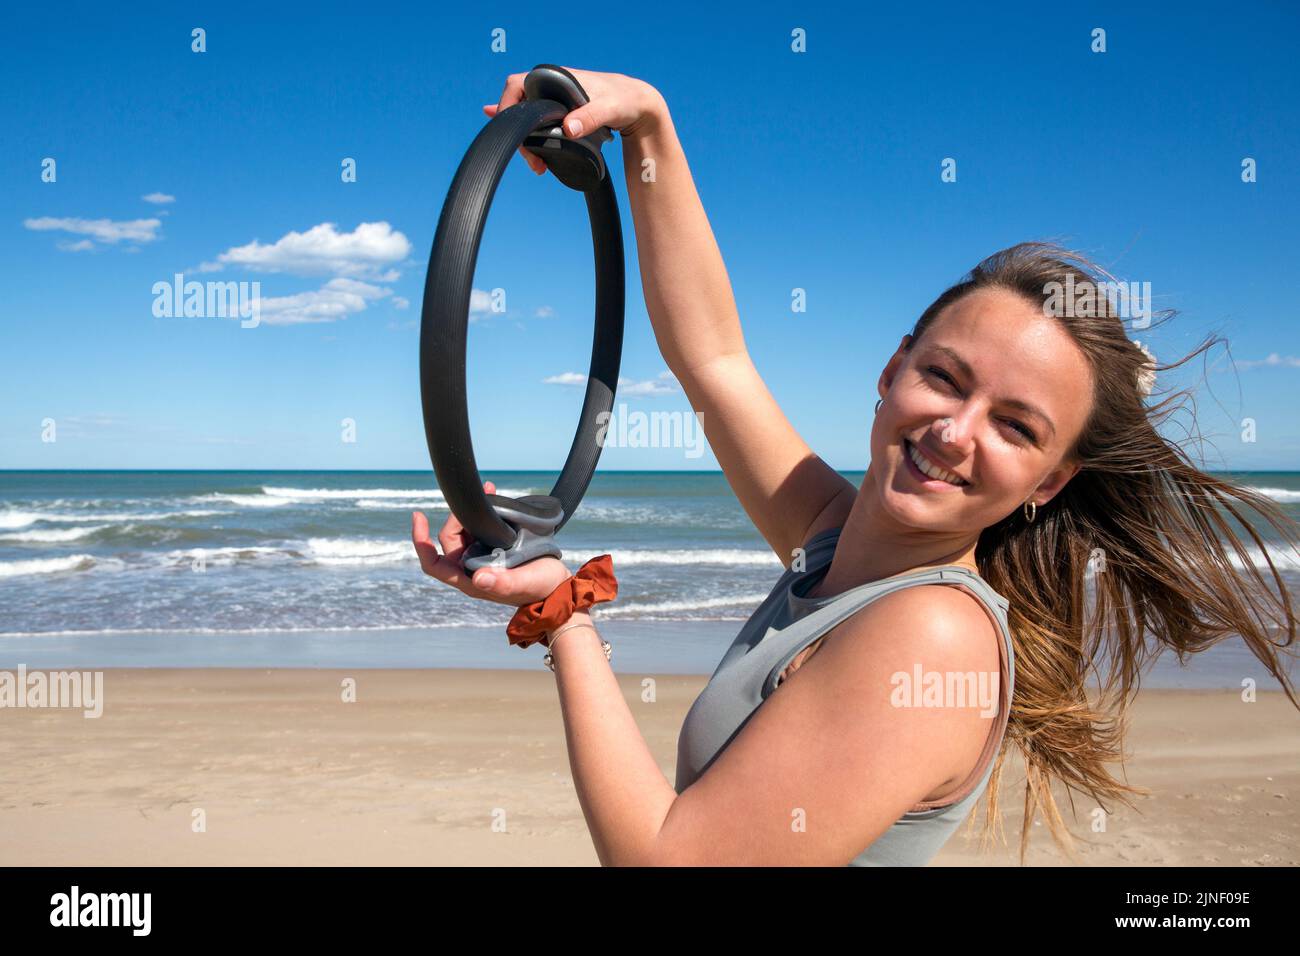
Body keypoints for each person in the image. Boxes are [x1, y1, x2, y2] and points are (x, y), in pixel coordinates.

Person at [411, 68, 1300, 866]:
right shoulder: (831, 545)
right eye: (943, 379)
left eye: (1017, 428)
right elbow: (712, 360)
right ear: (891, 371)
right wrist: (650, 128)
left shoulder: (932, 636)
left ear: (1049, 483)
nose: (955, 432)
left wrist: (564, 616)